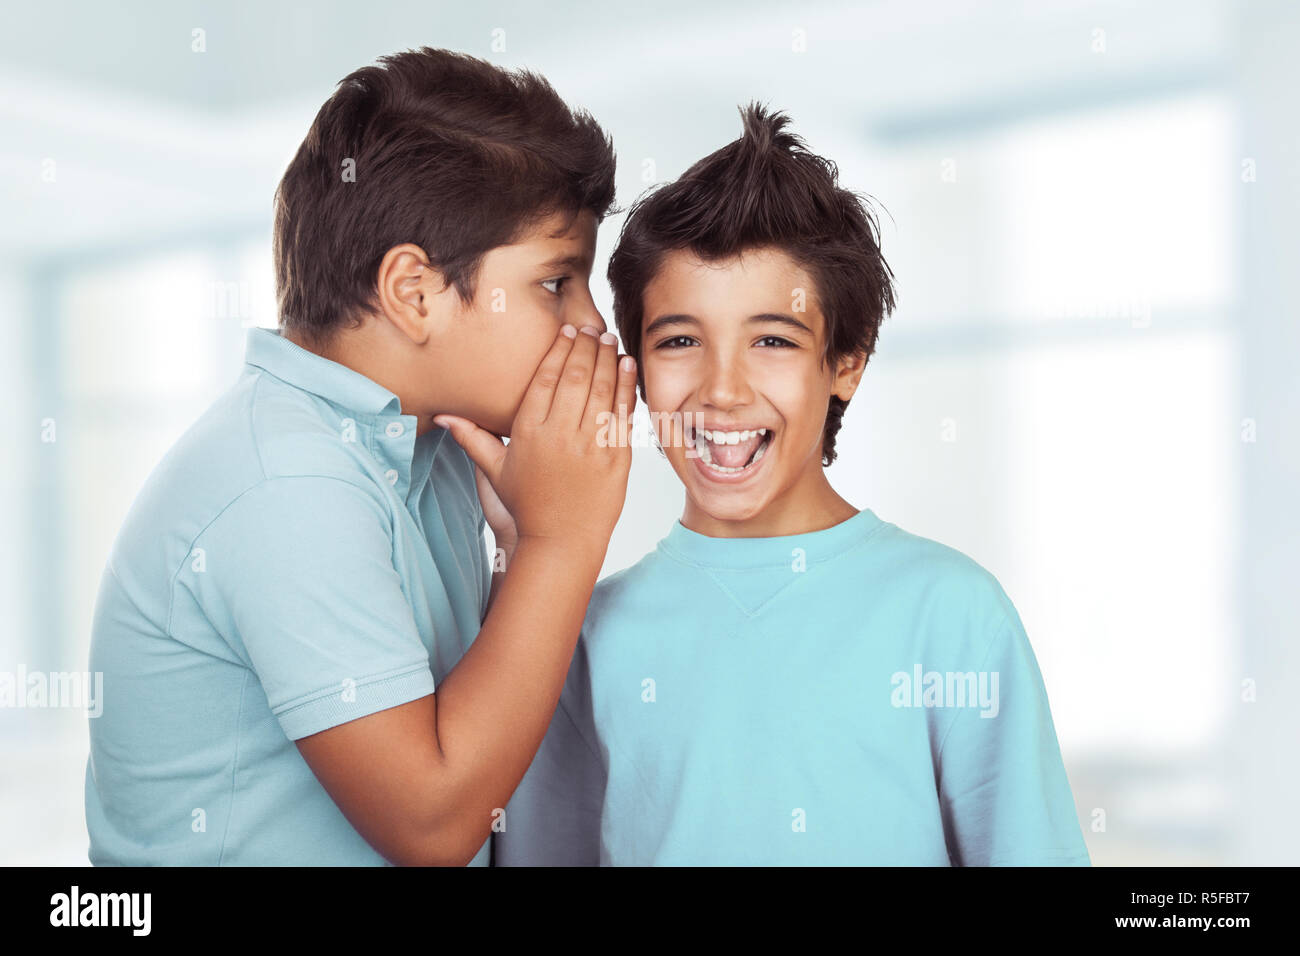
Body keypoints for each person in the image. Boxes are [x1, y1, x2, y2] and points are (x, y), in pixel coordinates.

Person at [495, 103, 1091, 866]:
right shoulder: (581, 635)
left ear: (846, 363)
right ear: (636, 372)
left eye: (772, 339)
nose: (723, 390)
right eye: (680, 340)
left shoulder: (951, 613)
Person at [85, 47, 636, 866]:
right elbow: (435, 825)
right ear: (414, 292)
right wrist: (562, 541)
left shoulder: (430, 451)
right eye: (557, 281)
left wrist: (527, 550)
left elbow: (493, 767)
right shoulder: (286, 483)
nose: (592, 324)